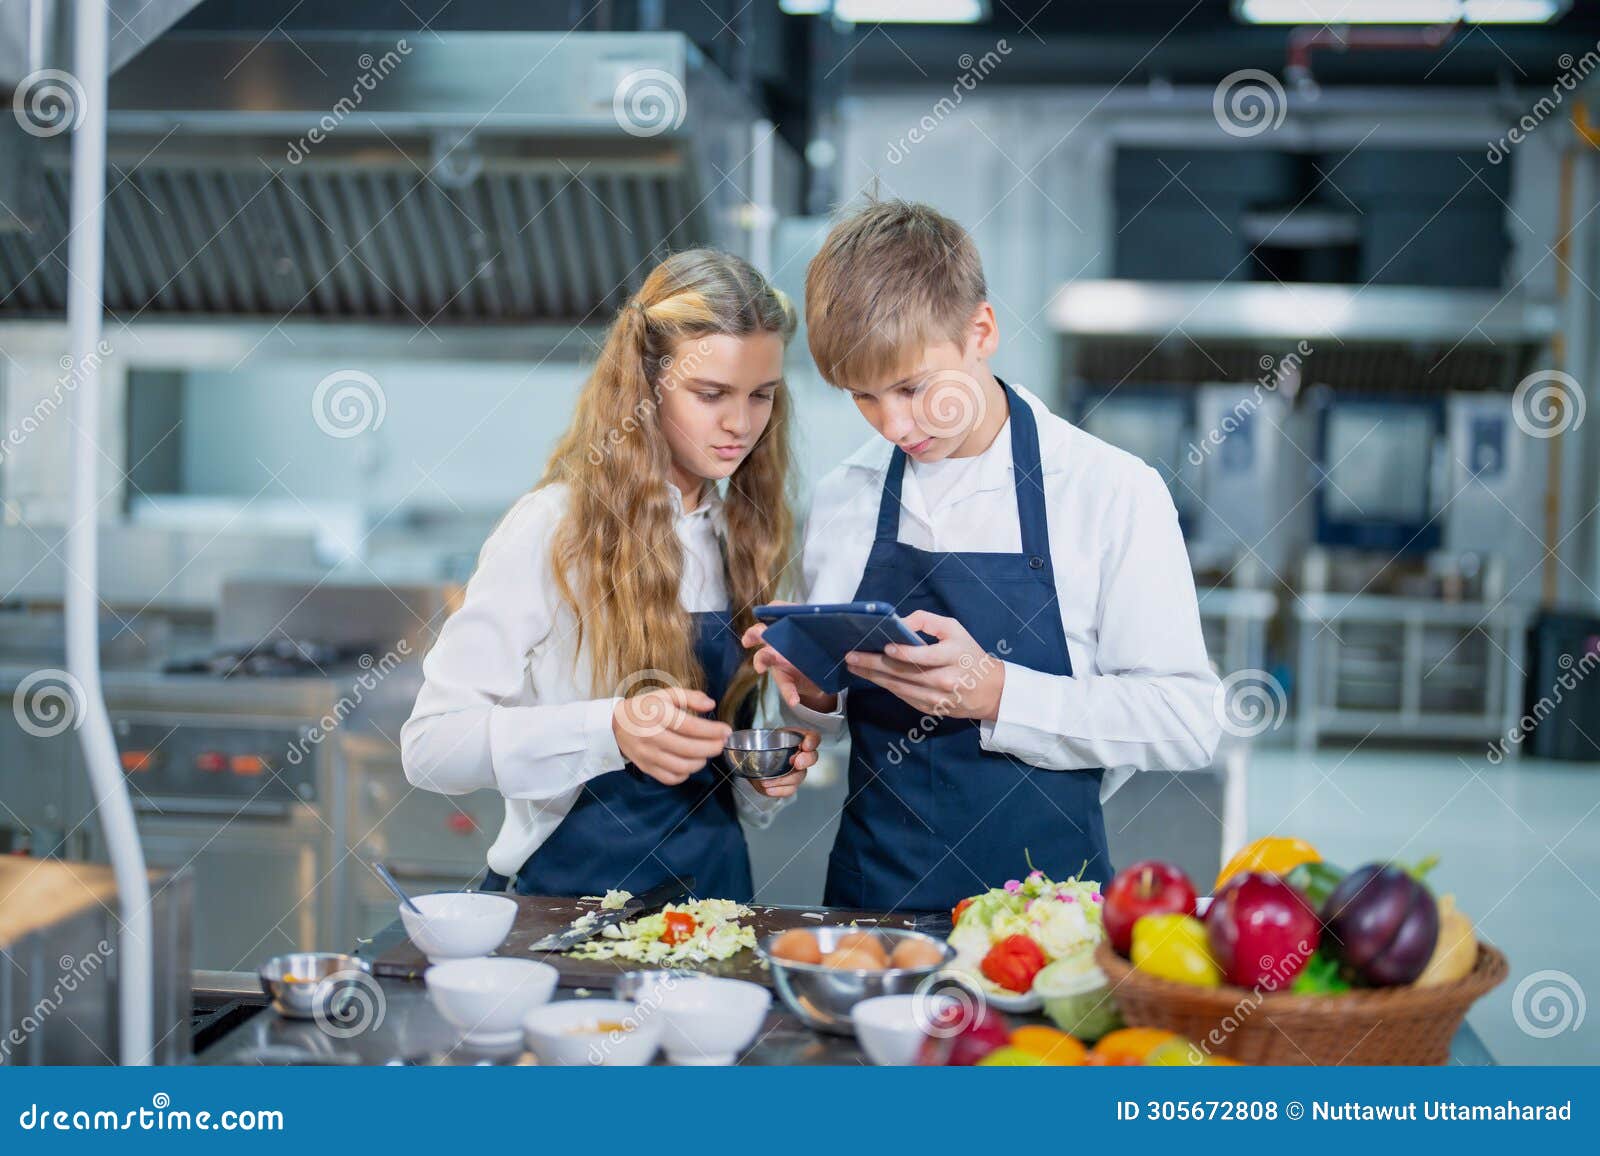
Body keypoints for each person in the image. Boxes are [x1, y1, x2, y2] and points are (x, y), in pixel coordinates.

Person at [745, 201, 1221, 913]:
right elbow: (832, 719)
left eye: (911, 387)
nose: (894, 424)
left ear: (982, 332)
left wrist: (997, 692)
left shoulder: (1108, 491)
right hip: (875, 910)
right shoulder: (846, 499)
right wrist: (811, 694)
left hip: (1047, 923)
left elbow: (1188, 720)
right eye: (863, 398)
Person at [402, 250, 817, 901]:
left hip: (713, 903)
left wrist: (756, 780)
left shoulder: (744, 534)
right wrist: (611, 729)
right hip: (568, 903)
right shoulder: (552, 527)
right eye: (710, 395)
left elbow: (713, 763)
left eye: (761, 396)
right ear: (647, 386)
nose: (740, 424)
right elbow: (430, 748)